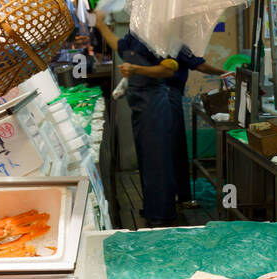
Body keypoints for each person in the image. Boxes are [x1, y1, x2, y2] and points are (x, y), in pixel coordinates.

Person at [92, 11, 227, 225]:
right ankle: (157, 207)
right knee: (152, 158)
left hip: (156, 103)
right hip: (140, 107)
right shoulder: (136, 35)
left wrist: (136, 68)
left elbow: (169, 70)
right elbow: (120, 46)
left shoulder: (163, 37)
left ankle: (163, 212)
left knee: (162, 158)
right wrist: (100, 24)